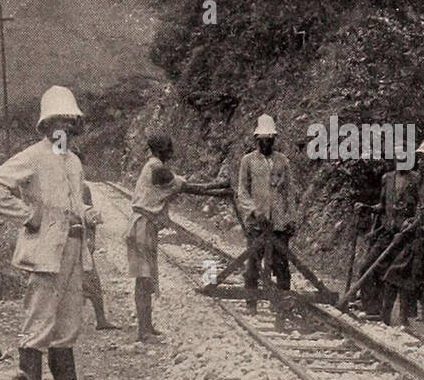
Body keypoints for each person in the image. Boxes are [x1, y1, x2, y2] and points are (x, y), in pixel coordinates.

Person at [0, 85, 109, 380]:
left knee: (66, 331)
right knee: (36, 331)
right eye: (56, 121)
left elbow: (75, 201)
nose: (63, 127)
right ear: (46, 125)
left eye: (69, 121)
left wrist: (88, 213)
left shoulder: (74, 160)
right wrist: (26, 214)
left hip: (72, 252)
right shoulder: (33, 156)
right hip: (44, 256)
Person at [126, 132, 223, 342]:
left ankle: (147, 327)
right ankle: (143, 331)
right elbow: (188, 187)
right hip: (142, 226)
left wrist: (218, 188)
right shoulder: (157, 169)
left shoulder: (154, 167)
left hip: (145, 226)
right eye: (168, 148)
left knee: (147, 277)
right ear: (161, 150)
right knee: (144, 279)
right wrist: (219, 189)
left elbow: (184, 186)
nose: (171, 151)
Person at [381, 139, 424, 327]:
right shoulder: (422, 181)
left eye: (423, 159)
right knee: (399, 275)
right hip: (419, 237)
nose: (418, 162)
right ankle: (394, 320)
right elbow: (417, 210)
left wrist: (413, 224)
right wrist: (410, 222)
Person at [237, 114, 296, 316]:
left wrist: (291, 219)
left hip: (278, 221)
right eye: (262, 140)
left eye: (269, 139)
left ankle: (282, 305)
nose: (266, 143)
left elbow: (290, 192)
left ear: (274, 139)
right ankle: (251, 304)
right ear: (256, 140)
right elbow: (242, 191)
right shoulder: (248, 161)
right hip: (256, 223)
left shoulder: (283, 161)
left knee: (281, 264)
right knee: (253, 263)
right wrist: (254, 211)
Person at [354, 157, 415, 319]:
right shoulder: (387, 178)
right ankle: (372, 309)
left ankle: (394, 316)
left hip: (405, 236)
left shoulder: (416, 180)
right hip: (387, 233)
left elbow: (418, 210)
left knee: (393, 276)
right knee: (366, 267)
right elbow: (382, 206)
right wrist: (367, 208)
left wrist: (409, 223)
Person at [80, 177, 119, 330]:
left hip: (79, 242)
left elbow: (91, 217)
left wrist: (91, 240)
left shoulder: (82, 187)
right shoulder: (80, 187)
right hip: (76, 244)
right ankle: (100, 320)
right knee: (92, 281)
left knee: (91, 281)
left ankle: (101, 320)